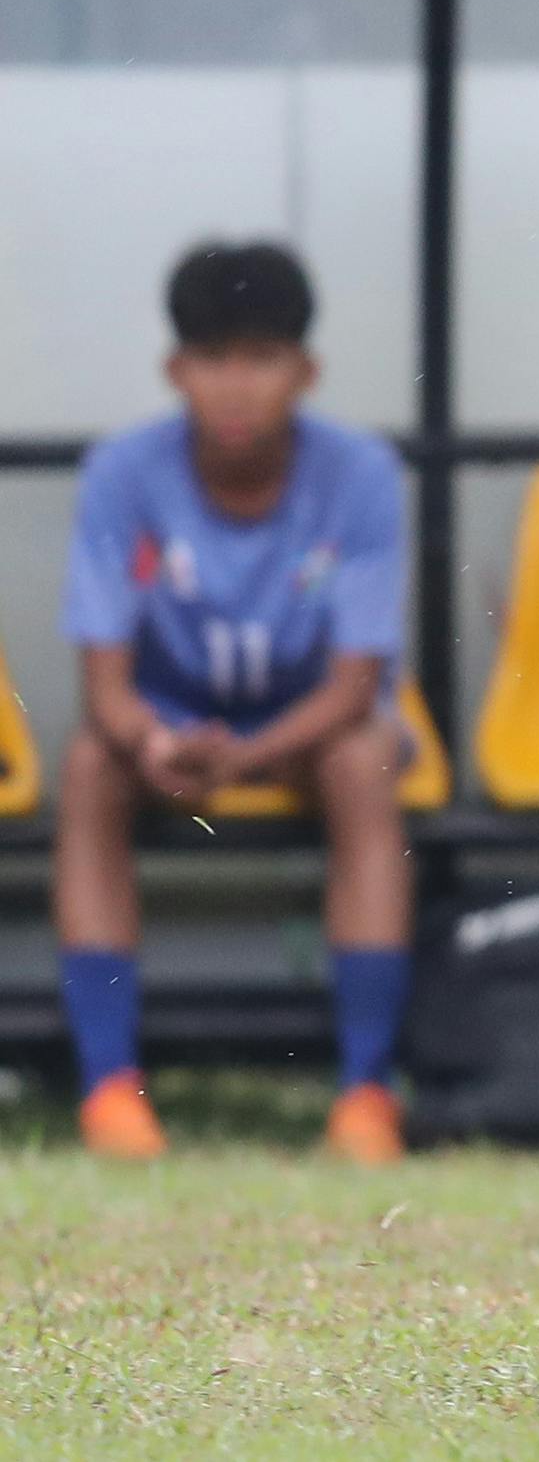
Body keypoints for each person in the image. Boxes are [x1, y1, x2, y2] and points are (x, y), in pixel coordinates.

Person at [57, 242, 414, 1165]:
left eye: (261, 358)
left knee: (363, 760)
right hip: (167, 726)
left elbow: (352, 685)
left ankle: (366, 1093)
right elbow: (103, 681)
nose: (236, 385)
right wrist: (155, 740)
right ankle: (108, 1089)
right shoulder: (122, 473)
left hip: (306, 724)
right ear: (177, 370)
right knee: (91, 762)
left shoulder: (361, 473)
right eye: (214, 358)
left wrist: (245, 757)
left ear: (305, 370)